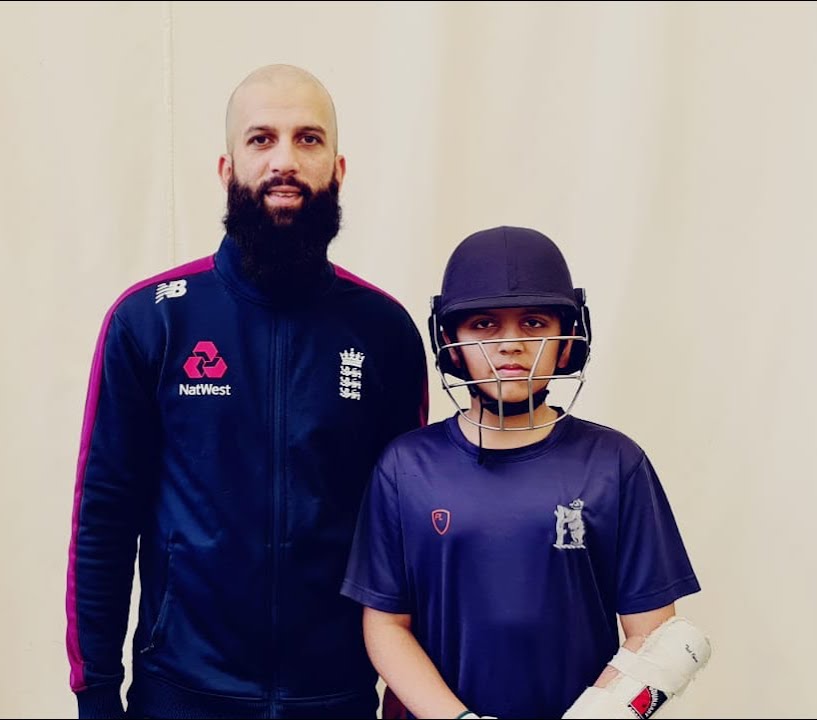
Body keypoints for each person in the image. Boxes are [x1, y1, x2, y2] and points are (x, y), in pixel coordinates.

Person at [65, 64, 429, 719]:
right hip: (180, 694)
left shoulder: (386, 332)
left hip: (335, 697)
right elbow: (105, 519)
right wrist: (95, 693)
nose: (284, 160)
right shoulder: (154, 319)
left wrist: (403, 699)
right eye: (261, 139)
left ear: (339, 168)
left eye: (308, 139)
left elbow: (404, 537)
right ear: (226, 167)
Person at [341, 226, 711, 719]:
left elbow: (653, 638)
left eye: (534, 323)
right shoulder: (406, 466)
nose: (511, 344)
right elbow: (386, 626)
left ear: (566, 340)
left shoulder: (615, 462)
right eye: (484, 324)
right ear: (450, 341)